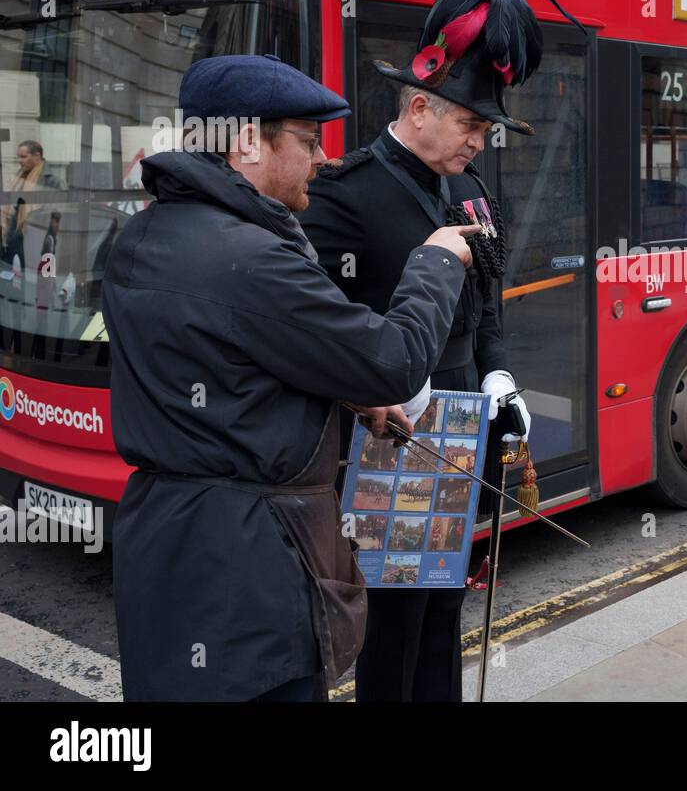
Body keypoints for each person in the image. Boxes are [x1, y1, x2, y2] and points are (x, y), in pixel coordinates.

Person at [102, 54, 480, 701]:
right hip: (250, 574)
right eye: (306, 140)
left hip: (162, 551)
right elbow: (393, 359)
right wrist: (437, 261)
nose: (321, 158)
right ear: (250, 141)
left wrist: (345, 397)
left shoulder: (139, 237)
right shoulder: (252, 258)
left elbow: (229, 363)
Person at [301, 0, 583, 702]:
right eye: (469, 125)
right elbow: (313, 326)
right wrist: (367, 393)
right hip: (389, 429)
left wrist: (499, 375)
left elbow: (487, 298)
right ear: (420, 106)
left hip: (465, 415)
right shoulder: (343, 194)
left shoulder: (471, 190)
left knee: (448, 603)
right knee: (395, 619)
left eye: (486, 129)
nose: (479, 143)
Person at [1, 139, 63, 269]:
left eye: (24, 156)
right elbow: (14, 210)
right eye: (19, 157)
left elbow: (57, 214)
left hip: (39, 240)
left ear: (37, 156)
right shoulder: (20, 178)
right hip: (17, 240)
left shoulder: (53, 181)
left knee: (39, 281)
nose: (20, 160)